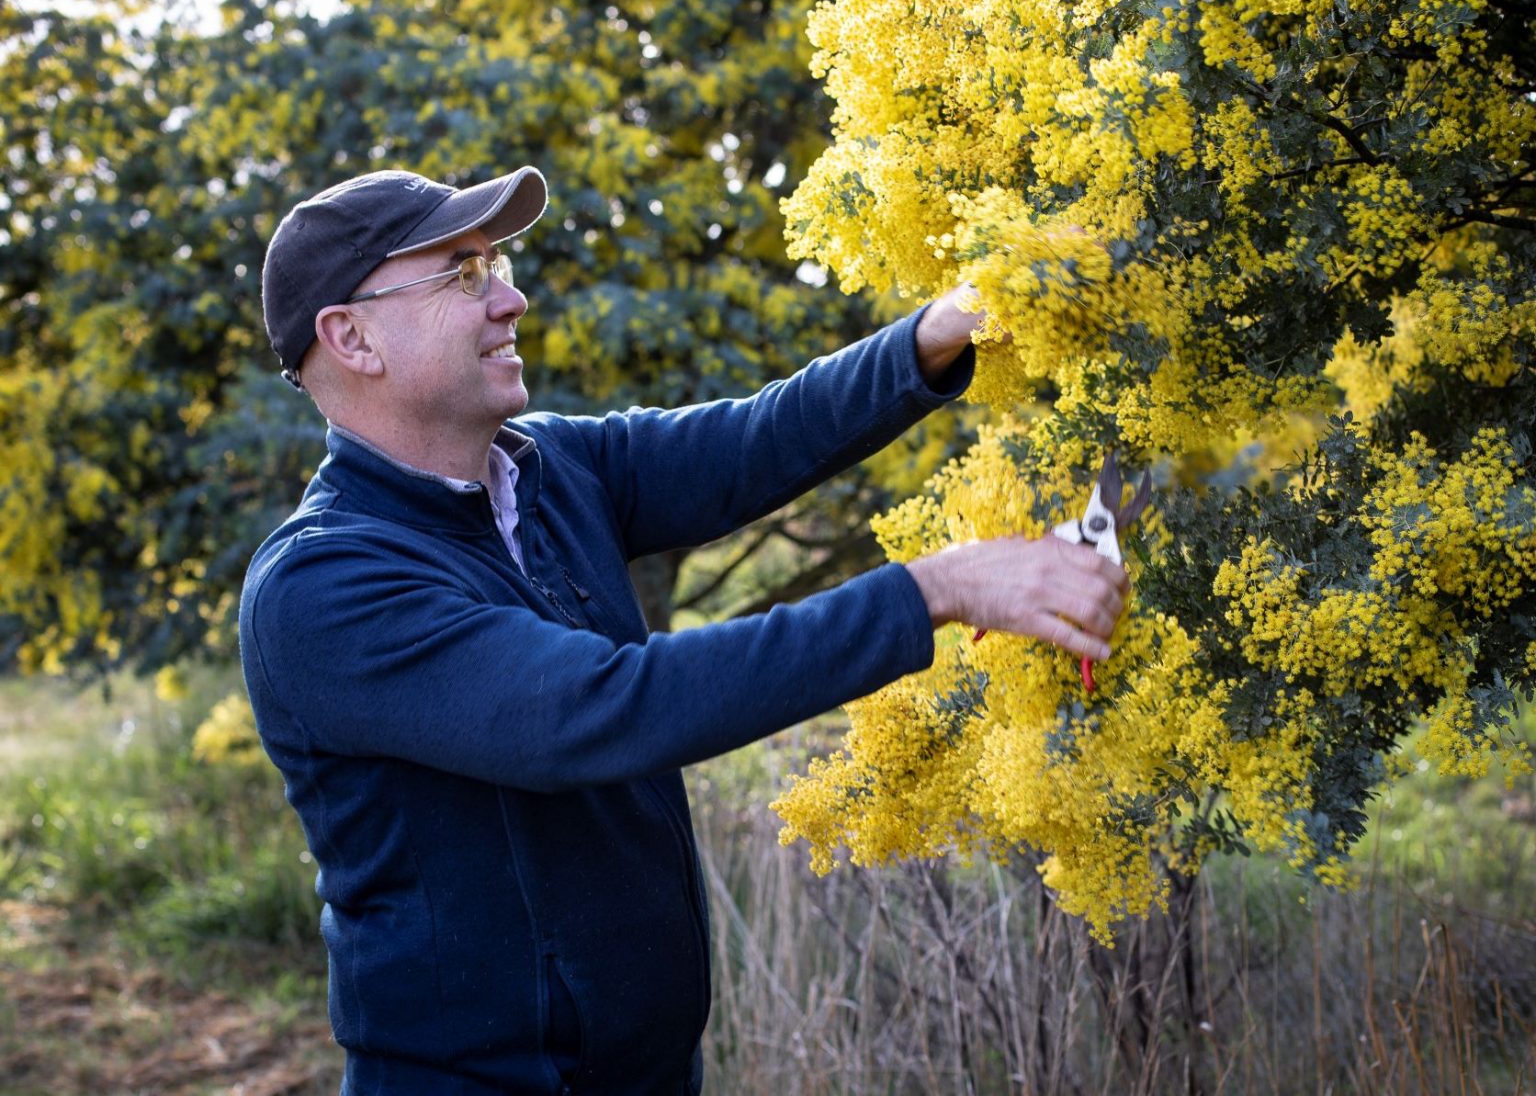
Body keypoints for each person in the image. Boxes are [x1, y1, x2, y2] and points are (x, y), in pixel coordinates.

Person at [242, 165, 1128, 1096]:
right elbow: (603, 709)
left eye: (494, 264)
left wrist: (939, 331)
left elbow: (759, 440)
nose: (510, 298)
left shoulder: (551, 466)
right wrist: (932, 592)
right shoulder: (320, 587)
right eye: (462, 274)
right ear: (352, 337)